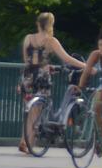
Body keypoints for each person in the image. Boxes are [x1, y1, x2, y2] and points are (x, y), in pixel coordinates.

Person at [18, 12, 86, 154]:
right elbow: (67, 58)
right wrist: (86, 66)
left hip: (28, 75)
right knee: (36, 112)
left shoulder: (28, 38)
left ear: (38, 23)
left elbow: (27, 60)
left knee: (29, 109)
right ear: (50, 25)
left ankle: (23, 139)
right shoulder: (51, 41)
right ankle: (29, 144)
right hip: (42, 77)